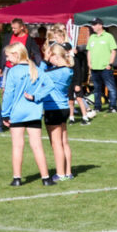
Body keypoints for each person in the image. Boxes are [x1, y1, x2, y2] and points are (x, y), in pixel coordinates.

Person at [0, 44, 52, 187]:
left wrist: (4, 114)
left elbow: (8, 95)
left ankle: (17, 178)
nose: (7, 59)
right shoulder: (36, 68)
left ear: (16, 54)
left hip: (17, 113)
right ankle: (46, 178)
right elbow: (50, 85)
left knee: (17, 146)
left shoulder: (13, 72)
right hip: (34, 112)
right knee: (37, 146)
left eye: (9, 56)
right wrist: (36, 97)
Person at [38, 41, 76, 182]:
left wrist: (44, 60)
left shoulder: (55, 72)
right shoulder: (67, 70)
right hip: (64, 108)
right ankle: (68, 172)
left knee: (56, 143)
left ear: (55, 56)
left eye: (51, 55)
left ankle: (60, 174)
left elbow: (37, 75)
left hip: (52, 109)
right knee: (64, 142)